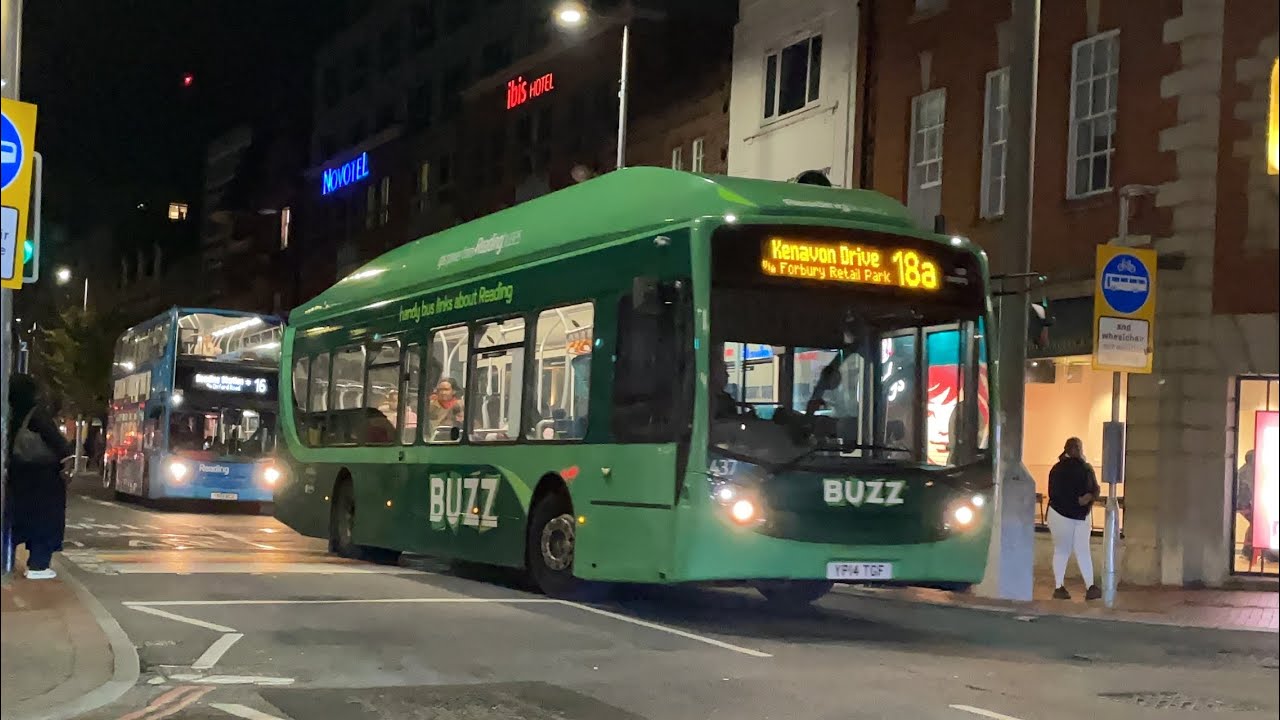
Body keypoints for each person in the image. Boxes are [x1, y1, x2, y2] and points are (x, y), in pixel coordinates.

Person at [7, 375, 74, 580]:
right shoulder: (37, 416)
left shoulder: (10, 414)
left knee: (16, 520)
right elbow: (58, 444)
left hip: (17, 476)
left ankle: (9, 557)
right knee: (44, 522)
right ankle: (38, 565)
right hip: (44, 479)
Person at [1047, 437, 1102, 600]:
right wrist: (1088, 498)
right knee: (1082, 550)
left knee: (1062, 550)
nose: (1079, 450)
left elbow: (1055, 494)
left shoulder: (1057, 469)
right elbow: (1096, 488)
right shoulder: (1086, 468)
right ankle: (1090, 586)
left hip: (1060, 514)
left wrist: (1079, 499)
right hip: (1080, 514)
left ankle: (1059, 586)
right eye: (1078, 447)